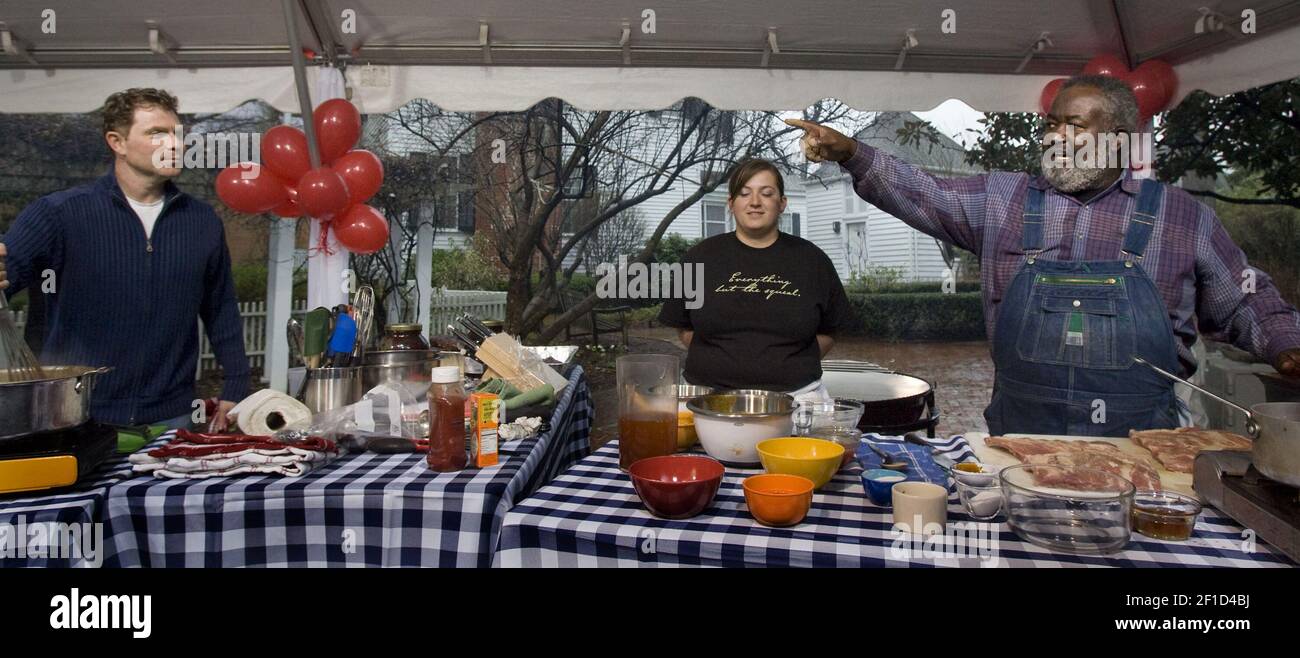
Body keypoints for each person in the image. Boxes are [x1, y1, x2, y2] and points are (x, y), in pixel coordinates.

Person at [787, 74, 1300, 437]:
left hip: (1144, 446)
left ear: (1119, 142)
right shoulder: (1002, 199)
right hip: (1021, 442)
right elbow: (924, 191)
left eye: (1076, 126)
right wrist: (853, 152)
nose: (1057, 136)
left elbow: (1246, 300)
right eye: (1052, 124)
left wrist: (1285, 345)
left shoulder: (1182, 217)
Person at [0, 88, 249, 430]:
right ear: (117, 142)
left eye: (177, 134)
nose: (175, 144)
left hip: (173, 418)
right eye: (156, 133)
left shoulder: (202, 220)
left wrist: (237, 384)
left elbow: (221, 309)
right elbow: (6, 276)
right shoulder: (58, 214)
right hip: (75, 417)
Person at [658, 159, 854, 406]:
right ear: (731, 204)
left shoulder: (812, 259)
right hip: (708, 399)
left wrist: (792, 362)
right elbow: (683, 327)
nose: (754, 202)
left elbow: (830, 329)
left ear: (782, 203)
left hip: (799, 400)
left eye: (767, 193)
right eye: (744, 193)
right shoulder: (697, 258)